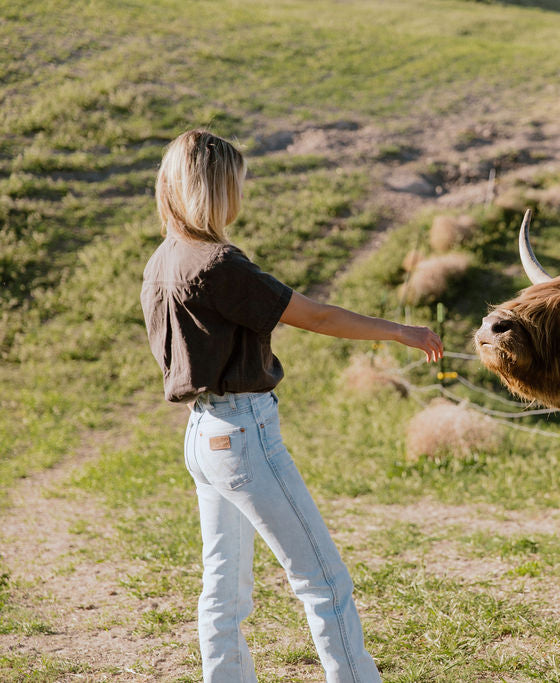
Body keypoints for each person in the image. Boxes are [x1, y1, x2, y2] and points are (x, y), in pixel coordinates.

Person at [140, 129, 443, 683]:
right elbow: (319, 317)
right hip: (243, 435)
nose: (240, 196)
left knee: (224, 589)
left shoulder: (162, 261)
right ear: (213, 189)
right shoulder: (217, 263)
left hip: (202, 435)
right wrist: (402, 331)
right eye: (235, 184)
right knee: (323, 581)